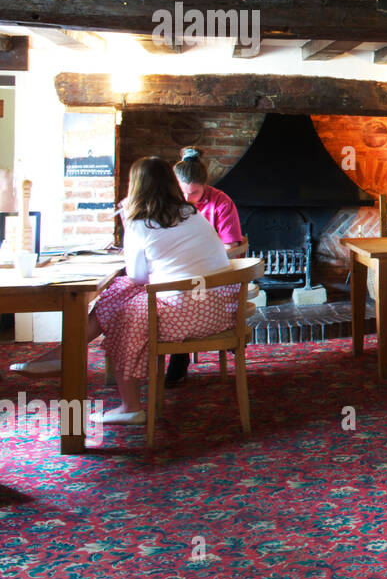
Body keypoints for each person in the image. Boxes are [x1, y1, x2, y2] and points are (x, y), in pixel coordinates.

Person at [18, 157, 236, 423]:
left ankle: (129, 406)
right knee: (120, 293)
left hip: (188, 313)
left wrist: (128, 224)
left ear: (137, 186)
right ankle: (63, 355)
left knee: (124, 313)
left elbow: (137, 275)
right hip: (218, 306)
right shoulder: (191, 213)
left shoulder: (140, 223)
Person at [167, 148, 243, 386]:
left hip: (212, 273)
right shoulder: (167, 203)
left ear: (205, 186)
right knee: (173, 296)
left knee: (181, 299)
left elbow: (232, 245)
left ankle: (178, 360)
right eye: (183, 192)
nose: (188, 199)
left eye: (194, 193)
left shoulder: (221, 202)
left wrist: (203, 256)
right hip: (179, 271)